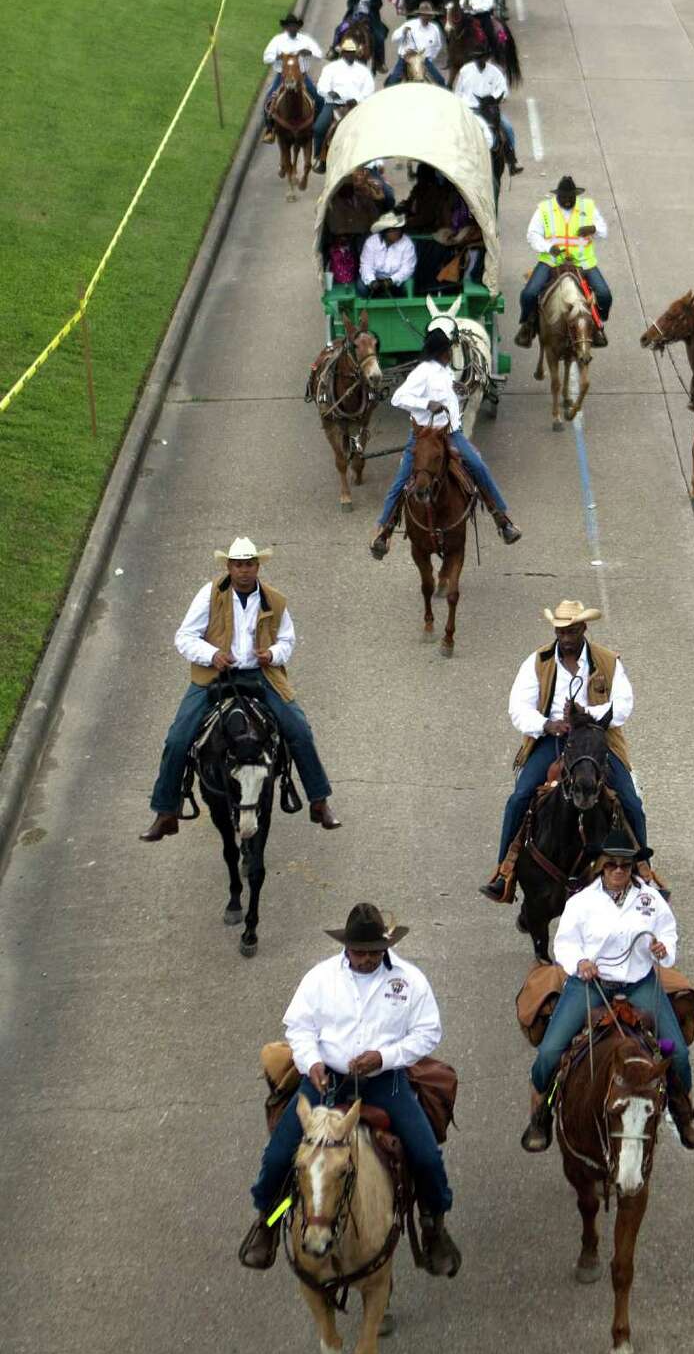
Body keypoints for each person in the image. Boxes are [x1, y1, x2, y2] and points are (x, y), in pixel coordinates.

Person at [239, 902, 461, 1277]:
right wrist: (312, 1062)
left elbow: (428, 1032)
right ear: (346, 948)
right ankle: (268, 1221)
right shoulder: (320, 978)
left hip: (384, 1082)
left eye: (374, 952)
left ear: (385, 947)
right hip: (326, 1082)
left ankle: (433, 1225)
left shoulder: (409, 980)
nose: (366, 959)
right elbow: (299, 1027)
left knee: (425, 1153)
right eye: (359, 952)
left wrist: (385, 1056)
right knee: (280, 1155)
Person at [521, 828, 694, 1153]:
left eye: (625, 865)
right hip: (590, 985)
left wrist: (664, 949)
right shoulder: (581, 902)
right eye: (612, 865)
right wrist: (579, 962)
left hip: (640, 983)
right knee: (551, 1050)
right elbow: (565, 942)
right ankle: (541, 1113)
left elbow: (668, 932)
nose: (619, 871)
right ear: (601, 866)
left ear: (633, 867)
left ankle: (683, 1113)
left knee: (674, 1049)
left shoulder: (651, 901)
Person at [140, 538, 340, 842]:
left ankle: (318, 800)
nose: (244, 571)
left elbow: (287, 641)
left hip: (261, 676)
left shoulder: (275, 600)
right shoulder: (209, 595)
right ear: (228, 567)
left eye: (249, 565)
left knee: (299, 729)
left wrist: (271, 655)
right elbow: (184, 637)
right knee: (178, 738)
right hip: (216, 676)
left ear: (258, 567)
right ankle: (166, 811)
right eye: (237, 565)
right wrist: (212, 655)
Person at [479, 602, 646, 901]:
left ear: (583, 629)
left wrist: (586, 716)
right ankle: (505, 871)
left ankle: (644, 871)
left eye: (571, 631)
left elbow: (623, 705)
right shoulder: (538, 661)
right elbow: (518, 708)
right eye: (560, 631)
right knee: (520, 797)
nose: (565, 637)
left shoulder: (607, 661)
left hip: (595, 738)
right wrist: (547, 724)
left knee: (630, 801)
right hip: (552, 739)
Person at [370, 326, 521, 553]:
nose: (451, 353)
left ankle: (502, 520)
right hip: (424, 436)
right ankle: (384, 531)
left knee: (478, 466)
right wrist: (426, 404)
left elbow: (444, 395)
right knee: (401, 481)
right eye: (449, 350)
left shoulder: (445, 370)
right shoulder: (422, 372)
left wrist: (457, 391)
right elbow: (397, 398)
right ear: (440, 352)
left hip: (451, 434)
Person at [514, 175, 610, 349]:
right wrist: (548, 247)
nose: (567, 201)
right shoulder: (544, 209)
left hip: (583, 263)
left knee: (604, 295)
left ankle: (597, 328)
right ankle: (527, 327)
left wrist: (593, 228)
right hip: (552, 261)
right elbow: (533, 234)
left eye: (571, 198)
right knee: (528, 294)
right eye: (563, 198)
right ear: (557, 196)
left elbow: (603, 230)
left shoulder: (587, 207)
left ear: (576, 195)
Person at [262, 14, 323, 142]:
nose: (292, 28)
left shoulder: (306, 40)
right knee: (268, 99)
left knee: (319, 98)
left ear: (298, 27)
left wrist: (310, 52)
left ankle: (316, 127)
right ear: (286, 27)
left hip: (301, 77)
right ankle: (270, 130)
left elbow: (319, 54)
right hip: (283, 77)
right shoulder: (277, 40)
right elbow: (266, 57)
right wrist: (277, 57)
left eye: (294, 26)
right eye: (290, 26)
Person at [314, 38, 376, 159]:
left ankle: (372, 160)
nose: (350, 54)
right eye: (347, 52)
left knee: (372, 129)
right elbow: (321, 87)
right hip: (334, 105)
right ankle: (319, 156)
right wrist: (329, 93)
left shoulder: (363, 71)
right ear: (342, 53)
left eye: (352, 52)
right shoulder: (330, 68)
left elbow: (369, 89)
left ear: (356, 53)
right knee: (319, 127)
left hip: (356, 106)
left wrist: (358, 100)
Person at [453, 48, 516, 164]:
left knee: (507, 127)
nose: (480, 60)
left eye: (483, 57)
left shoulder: (495, 72)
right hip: (469, 109)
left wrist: (492, 97)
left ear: (487, 58)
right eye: (478, 58)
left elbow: (503, 90)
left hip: (488, 110)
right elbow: (457, 93)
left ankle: (512, 159)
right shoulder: (465, 71)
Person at [386, 0, 448, 87]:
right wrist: (402, 33)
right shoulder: (410, 24)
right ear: (420, 15)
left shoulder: (434, 29)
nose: (426, 17)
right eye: (424, 15)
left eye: (428, 15)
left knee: (440, 82)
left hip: (424, 60)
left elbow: (437, 46)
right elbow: (394, 38)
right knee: (392, 83)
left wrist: (429, 58)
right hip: (406, 59)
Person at [359, 209, 416, 297]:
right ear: (384, 232)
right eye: (392, 230)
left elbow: (407, 268)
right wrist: (372, 281)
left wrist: (391, 280)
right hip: (375, 278)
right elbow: (366, 265)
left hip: (396, 280)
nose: (397, 232)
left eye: (398, 229)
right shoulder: (371, 242)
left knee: (407, 285)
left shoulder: (407, 243)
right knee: (361, 287)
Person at [345, 0, 387, 71]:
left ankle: (379, 61)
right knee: (340, 28)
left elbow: (379, 5)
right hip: (355, 15)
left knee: (380, 36)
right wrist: (356, 6)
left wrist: (370, 5)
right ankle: (334, 50)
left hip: (370, 17)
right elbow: (349, 3)